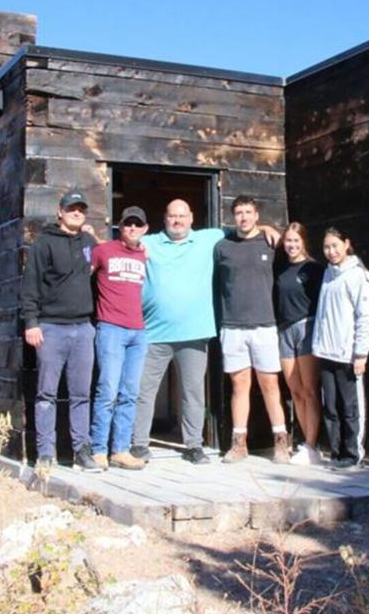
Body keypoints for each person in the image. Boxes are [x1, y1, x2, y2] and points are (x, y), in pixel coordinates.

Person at [131, 199, 278, 465]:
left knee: (193, 392)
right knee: (145, 390)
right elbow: (123, 241)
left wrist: (268, 227)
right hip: (154, 333)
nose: (177, 221)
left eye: (182, 216)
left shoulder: (209, 238)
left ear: (191, 218)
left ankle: (193, 446)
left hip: (195, 333)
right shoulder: (149, 242)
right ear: (165, 219)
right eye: (173, 216)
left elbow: (244, 226)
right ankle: (139, 444)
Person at [21, 188, 101, 474]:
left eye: (80, 209)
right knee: (46, 394)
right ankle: (45, 453)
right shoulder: (44, 242)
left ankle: (82, 451)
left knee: (81, 394)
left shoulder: (89, 241)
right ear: (60, 212)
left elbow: (105, 261)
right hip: (51, 328)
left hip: (83, 328)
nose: (76, 212)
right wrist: (31, 323)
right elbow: (30, 285)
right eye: (71, 209)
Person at [216, 196, 290, 464]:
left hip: (265, 325)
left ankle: (281, 442)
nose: (244, 217)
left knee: (270, 384)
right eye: (238, 212)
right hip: (233, 326)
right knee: (239, 385)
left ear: (257, 215)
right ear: (232, 216)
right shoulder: (222, 246)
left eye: (248, 212)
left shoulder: (270, 243)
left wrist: (272, 229)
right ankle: (239, 444)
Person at [89, 206, 151, 471]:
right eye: (128, 224)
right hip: (111, 328)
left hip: (138, 331)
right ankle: (98, 450)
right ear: (119, 226)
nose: (132, 229)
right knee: (107, 391)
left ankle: (121, 450)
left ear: (145, 229)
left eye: (138, 225)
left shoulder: (144, 255)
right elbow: (81, 277)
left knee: (130, 393)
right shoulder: (103, 250)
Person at [311, 227, 369, 471]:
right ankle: (336, 452)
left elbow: (366, 317)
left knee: (350, 407)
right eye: (327, 247)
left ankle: (352, 454)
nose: (331, 251)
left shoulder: (358, 276)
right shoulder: (328, 274)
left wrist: (361, 353)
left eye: (335, 246)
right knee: (331, 406)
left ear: (346, 244)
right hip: (326, 352)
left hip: (348, 354)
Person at [273, 222, 325, 465]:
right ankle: (308, 445)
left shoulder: (314, 268)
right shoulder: (281, 268)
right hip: (284, 330)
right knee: (295, 391)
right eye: (288, 241)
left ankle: (312, 445)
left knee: (309, 390)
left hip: (306, 327)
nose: (291, 245)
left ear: (303, 241)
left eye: (296, 240)